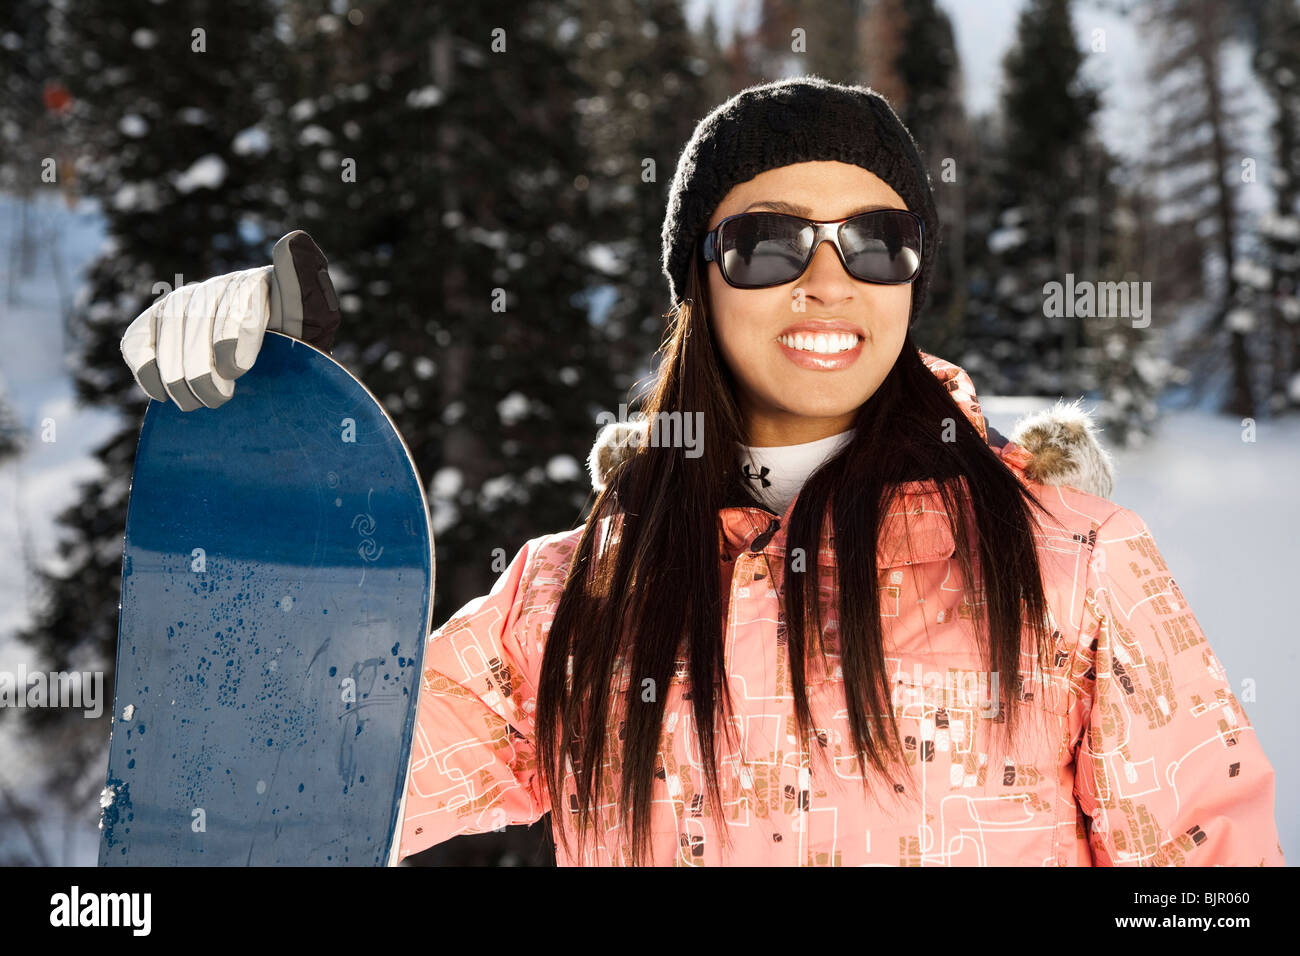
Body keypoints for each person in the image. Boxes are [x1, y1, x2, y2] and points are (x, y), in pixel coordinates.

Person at [120, 75, 1285, 867]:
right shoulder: (573, 599)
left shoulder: (1069, 561)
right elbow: (280, 776)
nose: (828, 281)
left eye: (875, 243)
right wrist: (257, 436)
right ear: (698, 282)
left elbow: (1207, 878)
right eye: (768, 241)